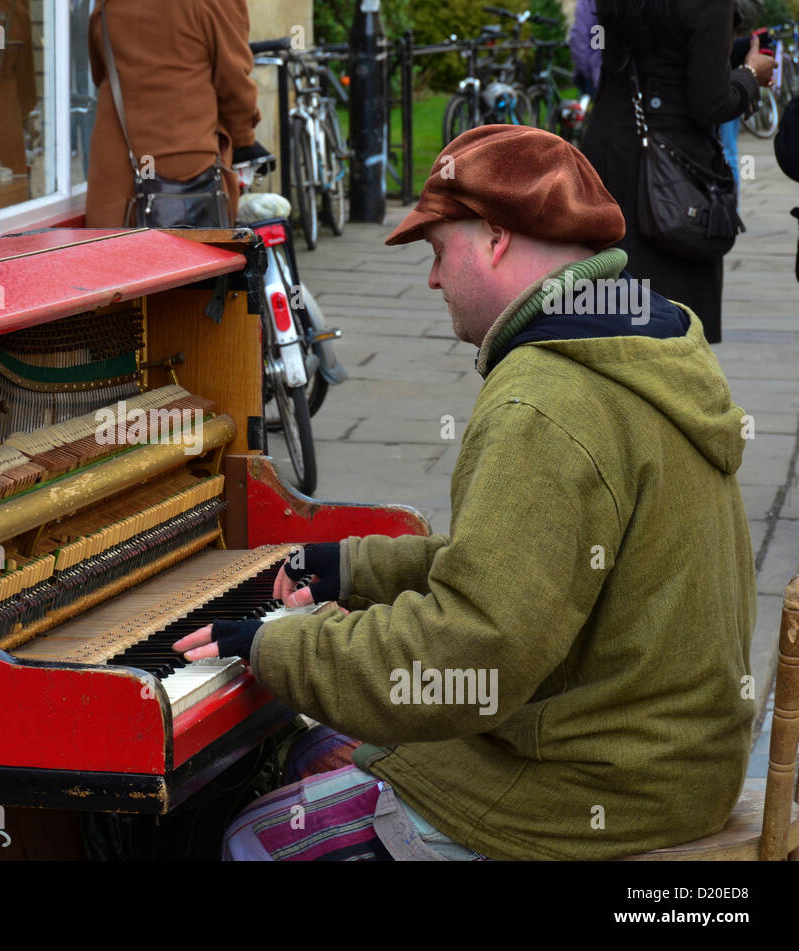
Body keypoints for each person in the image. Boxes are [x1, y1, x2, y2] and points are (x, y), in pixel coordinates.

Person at [176, 126, 757, 860]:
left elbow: (470, 658)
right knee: (309, 750)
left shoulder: (545, 398)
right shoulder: (644, 345)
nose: (431, 279)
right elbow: (527, 568)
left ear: (495, 237)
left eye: (436, 250)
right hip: (673, 762)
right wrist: (350, 569)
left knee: (251, 840)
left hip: (592, 790)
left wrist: (277, 645)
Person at [581, 0, 774, 343]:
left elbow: (650, 53)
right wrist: (749, 76)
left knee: (615, 305)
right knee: (671, 317)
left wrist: (728, 50)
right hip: (673, 168)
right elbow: (710, 103)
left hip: (608, 151)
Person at [83, 0, 265, 227]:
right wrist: (244, 137)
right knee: (195, 257)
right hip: (187, 165)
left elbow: (100, 69)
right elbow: (234, 83)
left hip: (117, 170)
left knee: (115, 258)